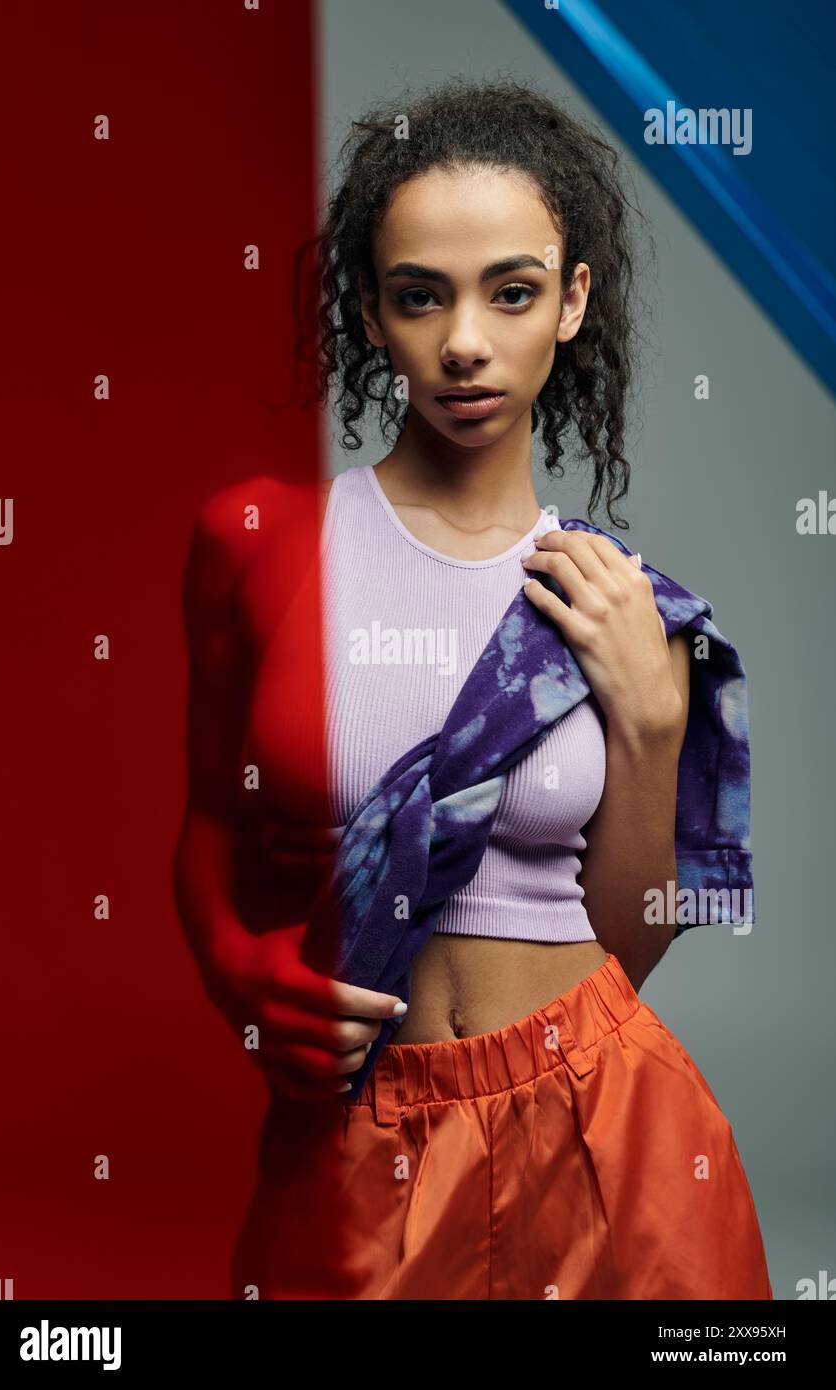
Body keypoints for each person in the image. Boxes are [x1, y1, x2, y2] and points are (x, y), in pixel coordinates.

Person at [174, 78, 773, 1300]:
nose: (463, 341)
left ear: (570, 302)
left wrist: (652, 725)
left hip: (608, 1129)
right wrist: (242, 975)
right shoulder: (257, 539)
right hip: (359, 1129)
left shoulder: (613, 602)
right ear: (367, 311)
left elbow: (627, 951)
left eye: (510, 291)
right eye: (419, 295)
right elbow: (206, 831)